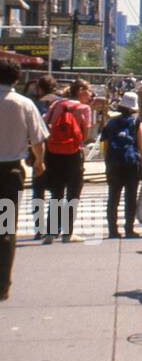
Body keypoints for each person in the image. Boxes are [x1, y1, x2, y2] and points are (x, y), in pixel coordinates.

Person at [1, 58, 48, 301]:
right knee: (6, 227)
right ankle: (3, 284)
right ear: (17, 79)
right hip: (10, 173)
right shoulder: (24, 104)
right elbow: (38, 140)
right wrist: (39, 162)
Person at [42, 79, 95, 243]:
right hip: (73, 153)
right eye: (88, 90)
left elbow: (45, 125)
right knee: (73, 193)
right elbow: (85, 135)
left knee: (56, 192)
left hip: (53, 153)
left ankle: (51, 232)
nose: (90, 94)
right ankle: (67, 233)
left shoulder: (56, 105)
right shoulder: (84, 108)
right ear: (80, 91)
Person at [100, 92, 142, 239]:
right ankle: (129, 229)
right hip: (131, 163)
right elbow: (141, 146)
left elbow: (105, 146)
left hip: (114, 163)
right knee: (130, 197)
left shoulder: (110, 123)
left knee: (113, 198)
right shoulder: (135, 123)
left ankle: (112, 230)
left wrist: (107, 163)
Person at [24, 75, 57, 236]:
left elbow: (33, 133)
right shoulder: (60, 103)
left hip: (39, 151)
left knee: (38, 193)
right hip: (58, 151)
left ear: (39, 88)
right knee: (58, 191)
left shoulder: (34, 105)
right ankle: (56, 227)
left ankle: (39, 228)